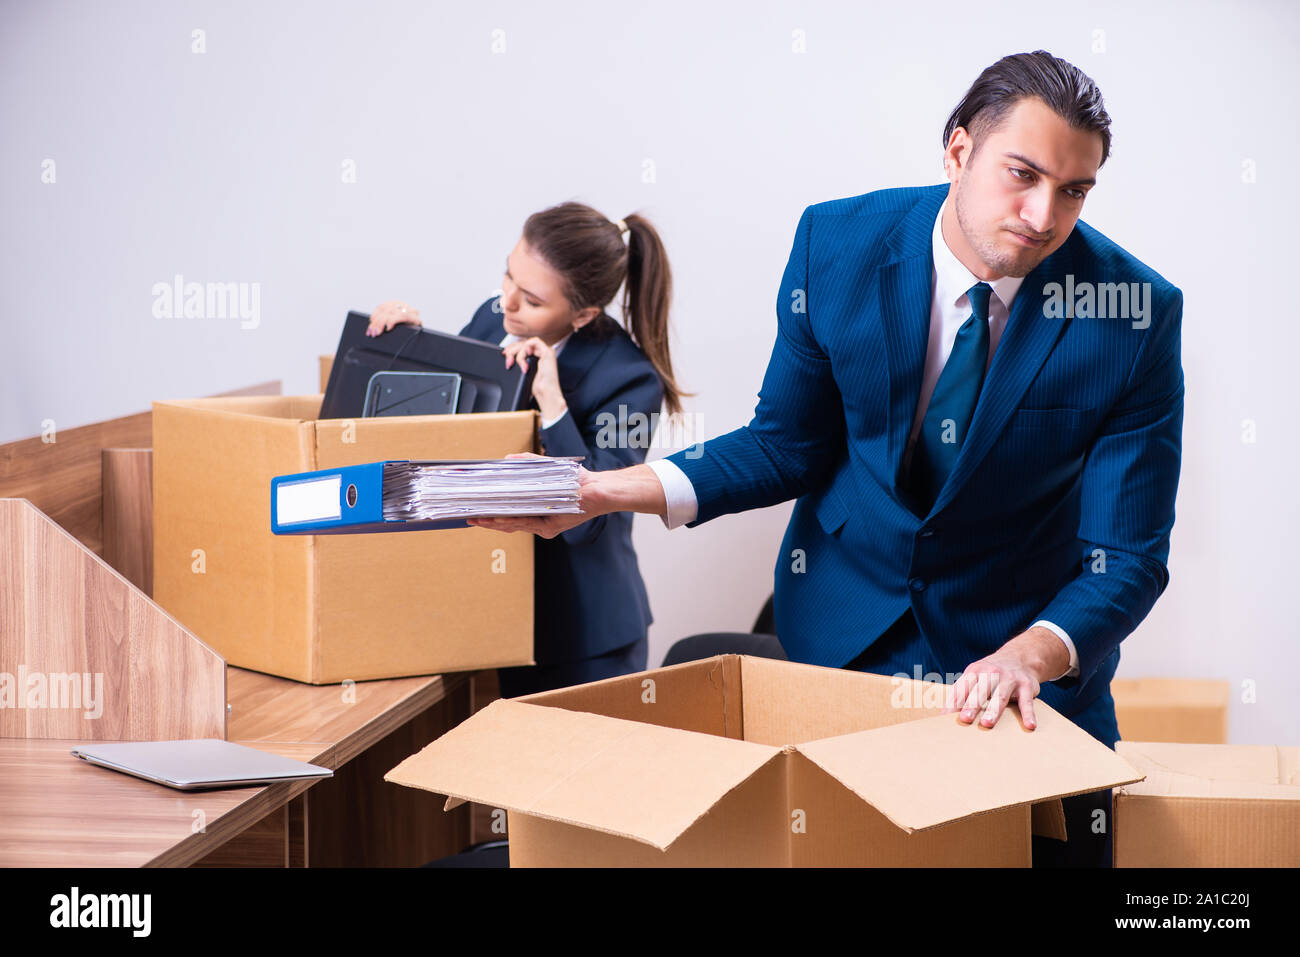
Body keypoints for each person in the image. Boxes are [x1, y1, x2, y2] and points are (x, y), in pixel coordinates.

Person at [467, 51, 1184, 867]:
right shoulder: (837, 246)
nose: (1042, 213)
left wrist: (1034, 650)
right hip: (841, 645)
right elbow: (786, 444)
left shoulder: (1135, 315)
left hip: (1019, 671)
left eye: (1074, 190)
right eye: (1021, 174)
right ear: (957, 151)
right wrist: (600, 490)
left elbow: (1125, 558)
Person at [366, 202, 688, 699]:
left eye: (532, 300)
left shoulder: (629, 377)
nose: (507, 303)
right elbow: (453, 427)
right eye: (507, 276)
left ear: (583, 314)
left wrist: (552, 403)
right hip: (494, 614)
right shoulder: (495, 316)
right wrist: (409, 344)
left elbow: (595, 517)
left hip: (583, 634)